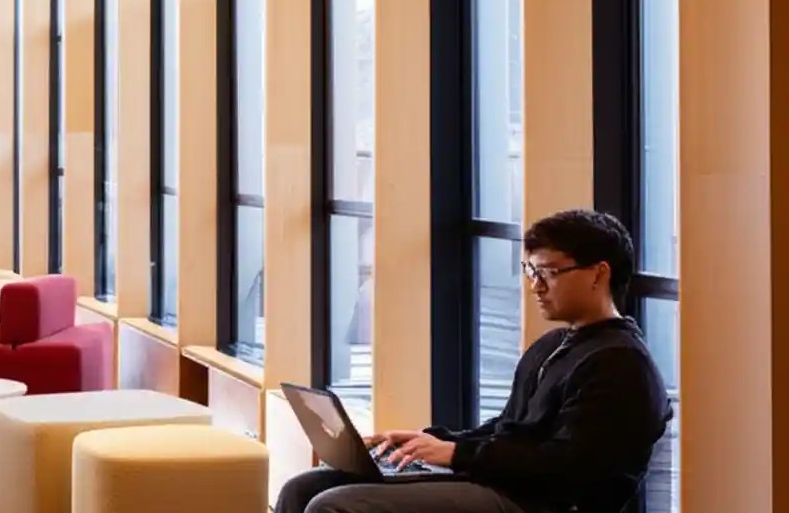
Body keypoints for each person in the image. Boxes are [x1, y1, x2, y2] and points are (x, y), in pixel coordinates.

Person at [276, 209, 672, 513]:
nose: (536, 286)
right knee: (304, 487)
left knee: (334, 506)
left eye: (549, 272)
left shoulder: (620, 365)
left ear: (598, 274)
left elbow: (568, 468)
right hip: (504, 485)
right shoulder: (554, 345)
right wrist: (434, 441)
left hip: (539, 503)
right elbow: (508, 430)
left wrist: (457, 456)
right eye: (531, 271)